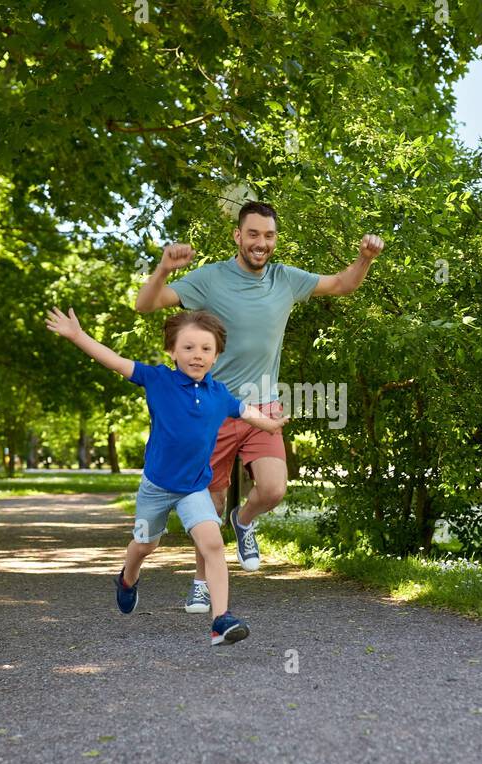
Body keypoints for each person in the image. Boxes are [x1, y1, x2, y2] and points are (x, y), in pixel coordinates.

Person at [134, 200, 383, 614]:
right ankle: (200, 582)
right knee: (209, 505)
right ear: (238, 236)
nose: (261, 243)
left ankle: (245, 521)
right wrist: (162, 269)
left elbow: (343, 285)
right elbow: (145, 304)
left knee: (272, 489)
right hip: (211, 409)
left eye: (268, 236)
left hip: (262, 408)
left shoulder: (285, 280)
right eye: (253, 234)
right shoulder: (210, 279)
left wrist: (364, 258)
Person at [45, 305, 285, 646]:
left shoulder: (219, 395)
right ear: (172, 350)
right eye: (188, 347)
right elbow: (114, 361)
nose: (197, 355)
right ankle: (127, 579)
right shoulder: (157, 379)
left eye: (206, 349)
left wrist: (271, 424)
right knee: (145, 545)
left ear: (217, 355)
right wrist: (78, 335)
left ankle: (221, 620)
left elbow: (246, 411)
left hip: (193, 490)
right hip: (156, 488)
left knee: (213, 543)